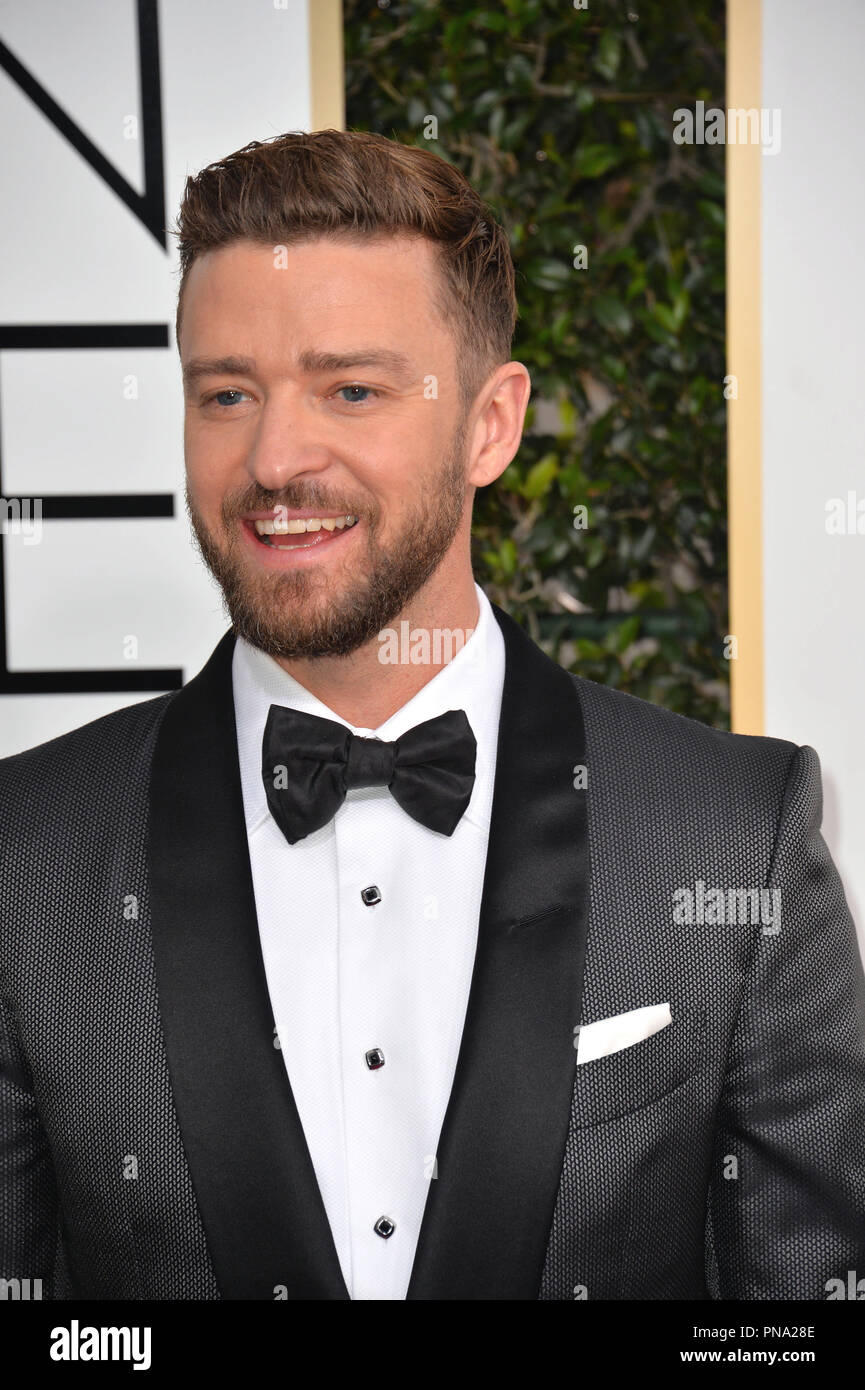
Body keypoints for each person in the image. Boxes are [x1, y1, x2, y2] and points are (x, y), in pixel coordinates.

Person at [2, 129, 864, 1302]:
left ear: (489, 426)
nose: (274, 457)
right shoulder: (24, 855)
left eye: (349, 388)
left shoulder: (734, 835)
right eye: (226, 394)